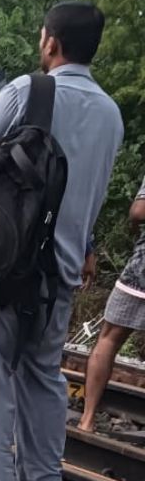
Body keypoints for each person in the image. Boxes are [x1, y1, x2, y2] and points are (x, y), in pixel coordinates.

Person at [0, 1, 124, 481]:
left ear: (51, 43)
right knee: (44, 379)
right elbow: (92, 194)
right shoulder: (111, 114)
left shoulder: (27, 90)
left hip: (6, 265)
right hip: (63, 272)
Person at [78, 182, 145, 432]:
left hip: (141, 272)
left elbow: (138, 211)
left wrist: (134, 225)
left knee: (108, 339)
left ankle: (87, 419)